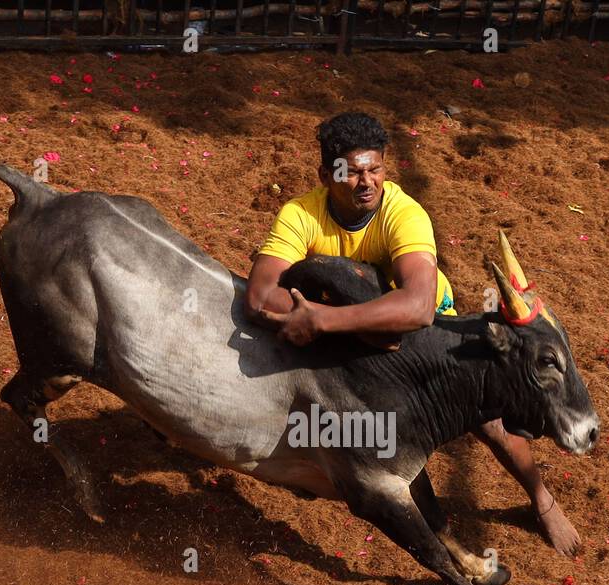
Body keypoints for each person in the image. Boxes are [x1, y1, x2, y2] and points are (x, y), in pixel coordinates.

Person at [245, 111, 581, 557]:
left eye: (375, 170)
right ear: (326, 175)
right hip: (354, 337)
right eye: (351, 172)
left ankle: (541, 498)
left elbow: (419, 308)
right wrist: (334, 323)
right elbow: (261, 295)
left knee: (491, 425)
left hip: (422, 329)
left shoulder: (403, 212)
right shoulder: (299, 213)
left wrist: (322, 320)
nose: (366, 182)